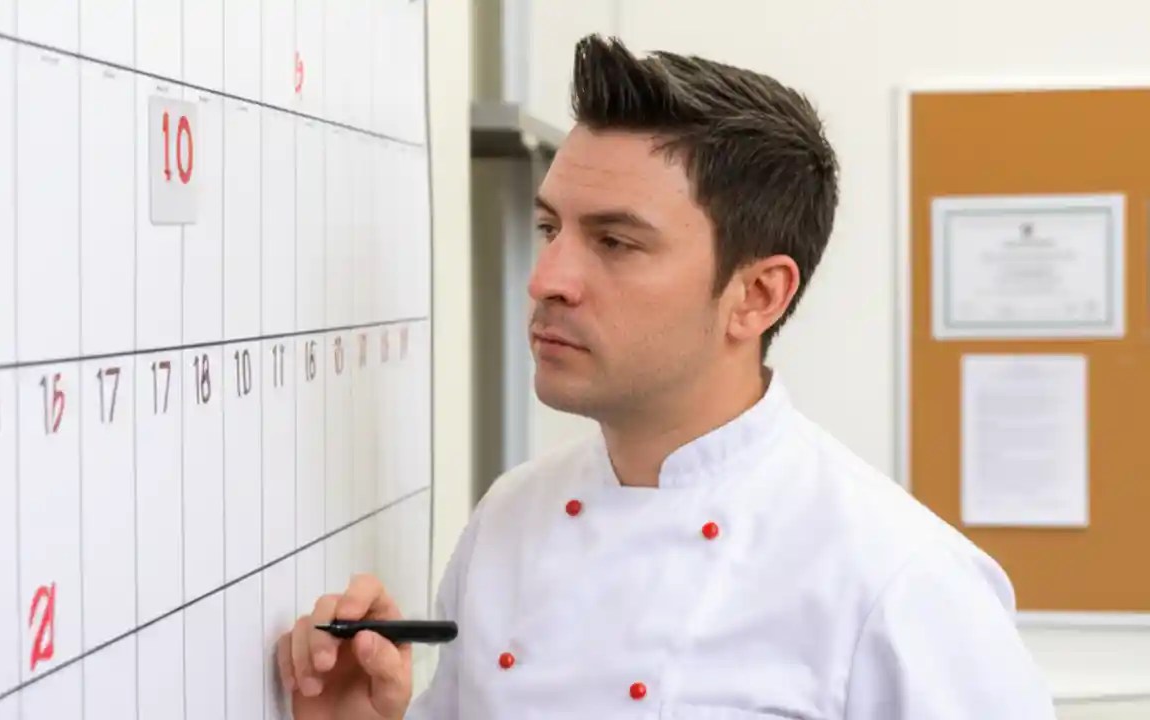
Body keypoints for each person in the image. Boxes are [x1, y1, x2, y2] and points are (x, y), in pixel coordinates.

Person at [277, 34, 1056, 719]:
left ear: (756, 295)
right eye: (551, 228)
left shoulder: (899, 579)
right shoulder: (510, 518)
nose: (548, 277)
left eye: (615, 242)